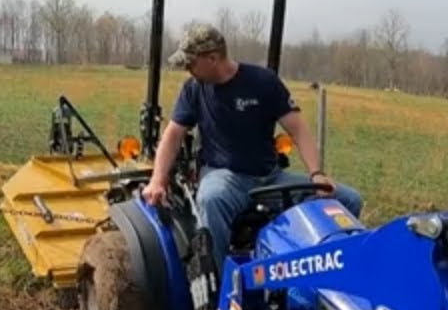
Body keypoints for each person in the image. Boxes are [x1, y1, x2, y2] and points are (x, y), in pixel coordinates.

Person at [142, 24, 365, 273]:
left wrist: (316, 174)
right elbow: (173, 135)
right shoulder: (194, 89)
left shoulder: (263, 82)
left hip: (271, 178)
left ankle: (326, 275)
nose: (187, 69)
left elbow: (298, 129)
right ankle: (217, 288)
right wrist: (158, 179)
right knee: (211, 199)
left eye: (190, 63)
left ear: (213, 58)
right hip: (225, 178)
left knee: (348, 199)